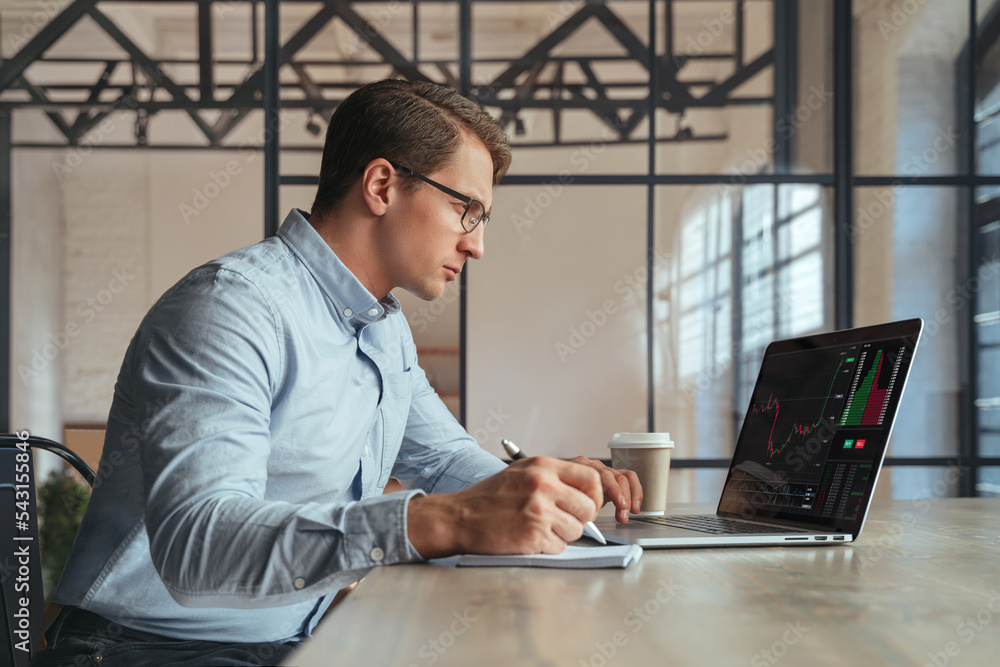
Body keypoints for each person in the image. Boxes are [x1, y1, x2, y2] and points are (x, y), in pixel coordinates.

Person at [32, 79, 642, 667]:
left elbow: (446, 461)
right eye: (466, 209)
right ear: (382, 185)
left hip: (289, 640)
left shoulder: (383, 327)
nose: (476, 244)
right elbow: (199, 542)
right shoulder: (229, 308)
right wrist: (447, 519)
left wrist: (555, 500)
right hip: (136, 647)